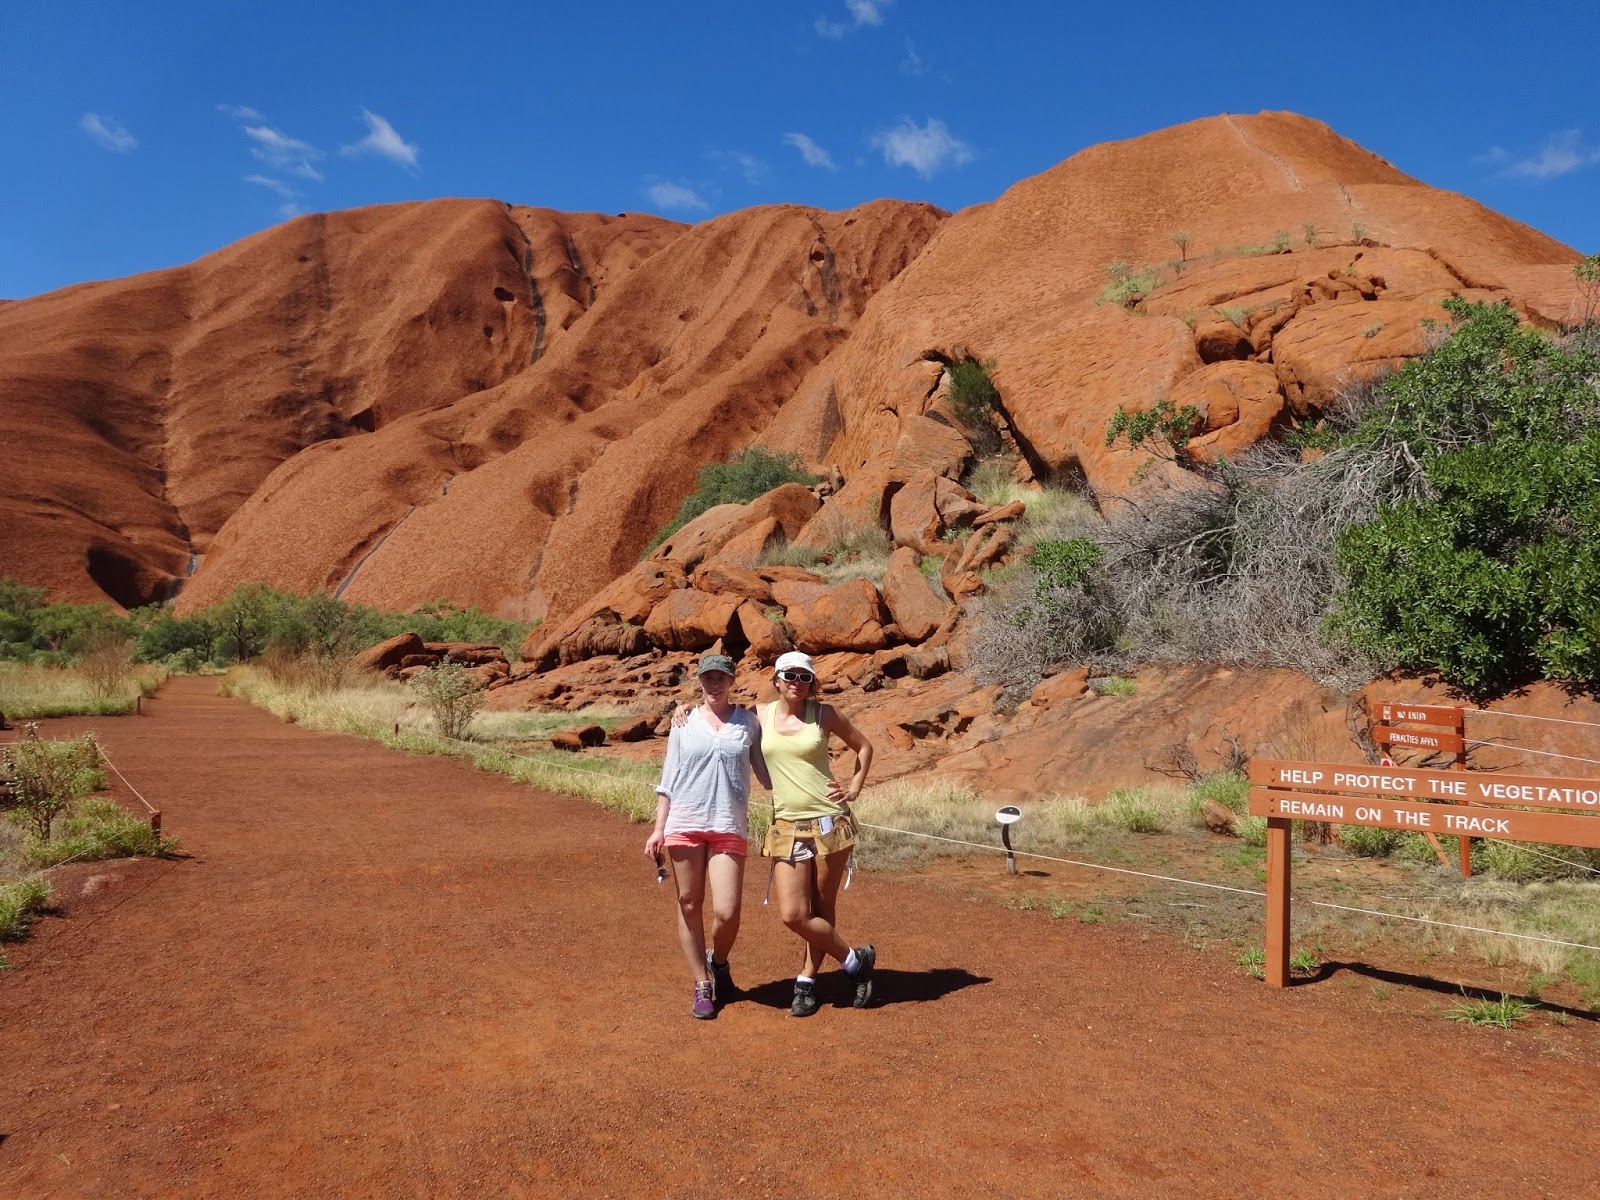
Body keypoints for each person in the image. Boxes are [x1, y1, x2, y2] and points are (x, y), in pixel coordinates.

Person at [645, 652, 769, 1020]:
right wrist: (658, 829)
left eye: (721, 678)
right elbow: (669, 779)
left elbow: (766, 772)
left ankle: (720, 961)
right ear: (699, 681)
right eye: (708, 678)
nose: (714, 684)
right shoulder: (683, 722)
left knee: (727, 912)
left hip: (729, 823)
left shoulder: (749, 723)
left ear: (732, 681)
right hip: (684, 821)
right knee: (688, 901)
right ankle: (702, 983)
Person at [760, 650, 878, 1017]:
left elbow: (864, 747)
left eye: (804, 677)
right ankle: (855, 961)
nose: (797, 683)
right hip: (787, 825)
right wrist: (686, 711)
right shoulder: (758, 716)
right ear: (776, 680)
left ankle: (808, 981)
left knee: (823, 907)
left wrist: (855, 787)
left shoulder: (824, 714)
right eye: (789, 676)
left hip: (830, 821)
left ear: (812, 682)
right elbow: (718, 715)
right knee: (794, 914)